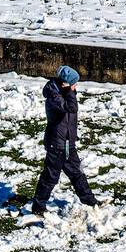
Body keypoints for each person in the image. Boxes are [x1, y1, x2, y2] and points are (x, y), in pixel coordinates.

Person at [29, 65, 99, 217]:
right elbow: (71, 108)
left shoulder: (63, 92)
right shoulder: (55, 97)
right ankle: (38, 206)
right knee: (50, 177)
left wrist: (69, 90)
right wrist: (69, 91)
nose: (76, 86)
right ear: (65, 84)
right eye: (74, 83)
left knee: (77, 173)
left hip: (68, 143)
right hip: (56, 144)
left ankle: (90, 201)